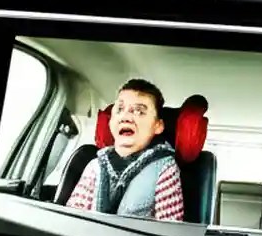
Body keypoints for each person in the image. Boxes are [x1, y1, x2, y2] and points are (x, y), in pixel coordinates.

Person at [65, 78, 185, 221]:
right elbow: (73, 219)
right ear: (111, 121)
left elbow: (169, 232)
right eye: (120, 109)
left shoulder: (165, 168)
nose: (126, 117)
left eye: (139, 111)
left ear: (158, 126)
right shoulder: (94, 166)